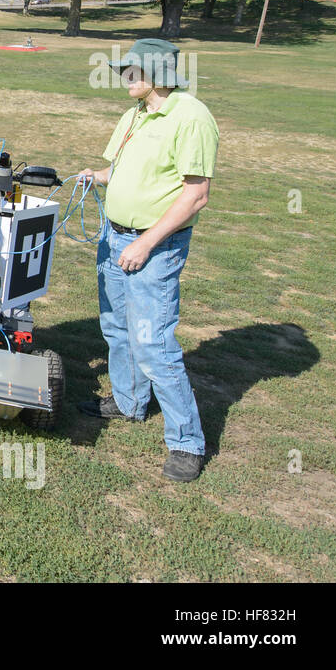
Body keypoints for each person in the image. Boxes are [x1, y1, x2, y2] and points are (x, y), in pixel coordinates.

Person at [76, 38, 219, 483]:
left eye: (133, 70)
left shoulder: (191, 117)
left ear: (157, 72)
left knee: (154, 344)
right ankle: (129, 401)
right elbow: (119, 170)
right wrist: (94, 176)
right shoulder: (133, 115)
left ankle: (186, 442)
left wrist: (146, 243)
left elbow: (195, 195)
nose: (125, 77)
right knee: (117, 328)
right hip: (113, 237)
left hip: (152, 246)